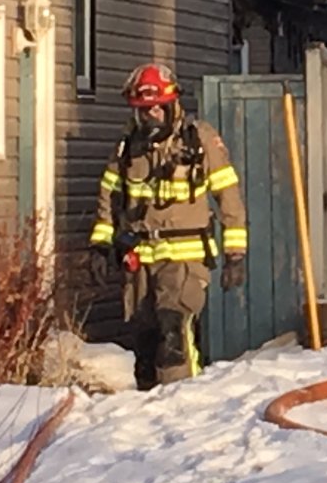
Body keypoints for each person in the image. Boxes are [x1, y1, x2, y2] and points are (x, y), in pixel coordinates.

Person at [88, 62, 247, 389]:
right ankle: (149, 417)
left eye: (157, 109)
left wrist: (235, 255)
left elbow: (228, 196)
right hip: (141, 260)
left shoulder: (199, 140)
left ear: (173, 105)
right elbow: (109, 198)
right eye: (144, 111)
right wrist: (100, 246)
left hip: (185, 259)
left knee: (172, 332)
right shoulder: (126, 147)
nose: (150, 117)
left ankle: (184, 405)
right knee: (146, 343)